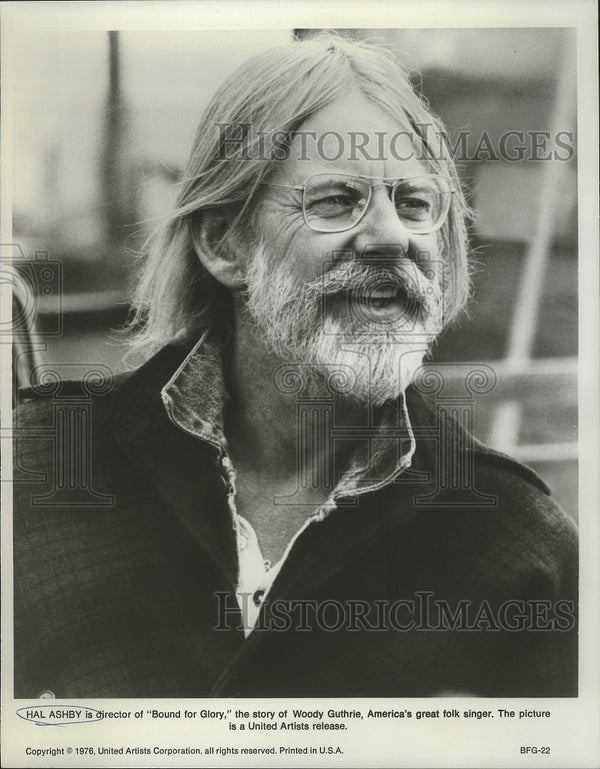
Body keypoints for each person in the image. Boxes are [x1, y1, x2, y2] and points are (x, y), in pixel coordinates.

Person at [13, 33, 577, 698]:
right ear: (224, 244)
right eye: (336, 200)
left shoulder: (520, 547)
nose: (392, 236)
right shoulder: (43, 465)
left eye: (414, 203)